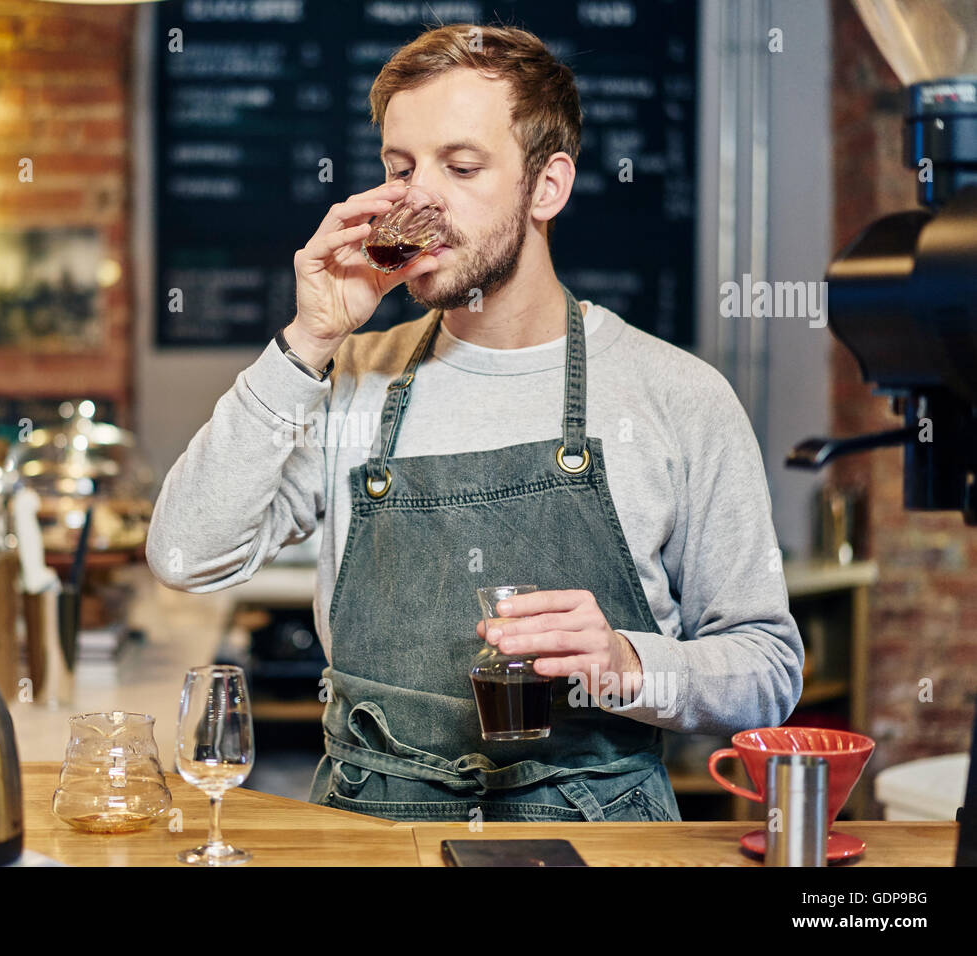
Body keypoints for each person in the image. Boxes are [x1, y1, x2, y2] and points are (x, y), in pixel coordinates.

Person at [147, 24, 803, 823]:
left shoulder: (677, 394)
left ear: (547, 187)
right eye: (400, 168)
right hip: (368, 829)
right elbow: (185, 555)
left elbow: (767, 671)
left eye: (460, 167)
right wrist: (310, 338)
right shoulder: (352, 377)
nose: (419, 196)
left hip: (598, 833)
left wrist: (629, 663)